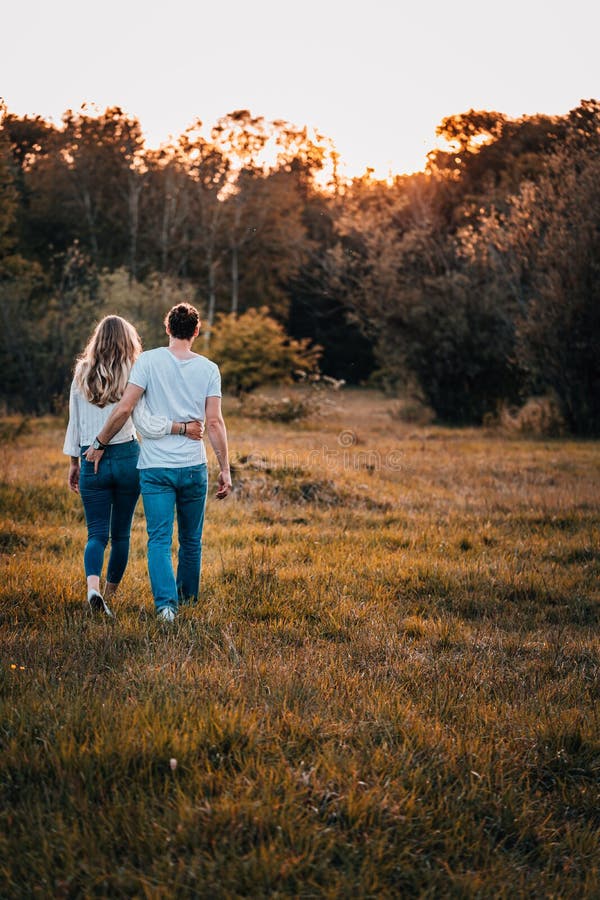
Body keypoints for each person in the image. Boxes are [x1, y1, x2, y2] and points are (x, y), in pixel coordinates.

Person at [84, 303, 232, 622]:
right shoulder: (209, 369)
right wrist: (225, 469)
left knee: (160, 540)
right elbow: (215, 423)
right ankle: (188, 600)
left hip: (155, 470)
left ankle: (166, 608)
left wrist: (99, 442)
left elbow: (124, 409)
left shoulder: (148, 361)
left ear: (167, 328)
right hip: (193, 467)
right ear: (195, 331)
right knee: (191, 539)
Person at [64, 315, 203, 616]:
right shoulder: (136, 367)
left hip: (91, 456)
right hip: (128, 456)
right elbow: (138, 412)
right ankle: (110, 597)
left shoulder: (82, 371)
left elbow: (74, 421)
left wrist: (74, 461)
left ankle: (93, 589)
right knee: (122, 534)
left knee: (96, 533)